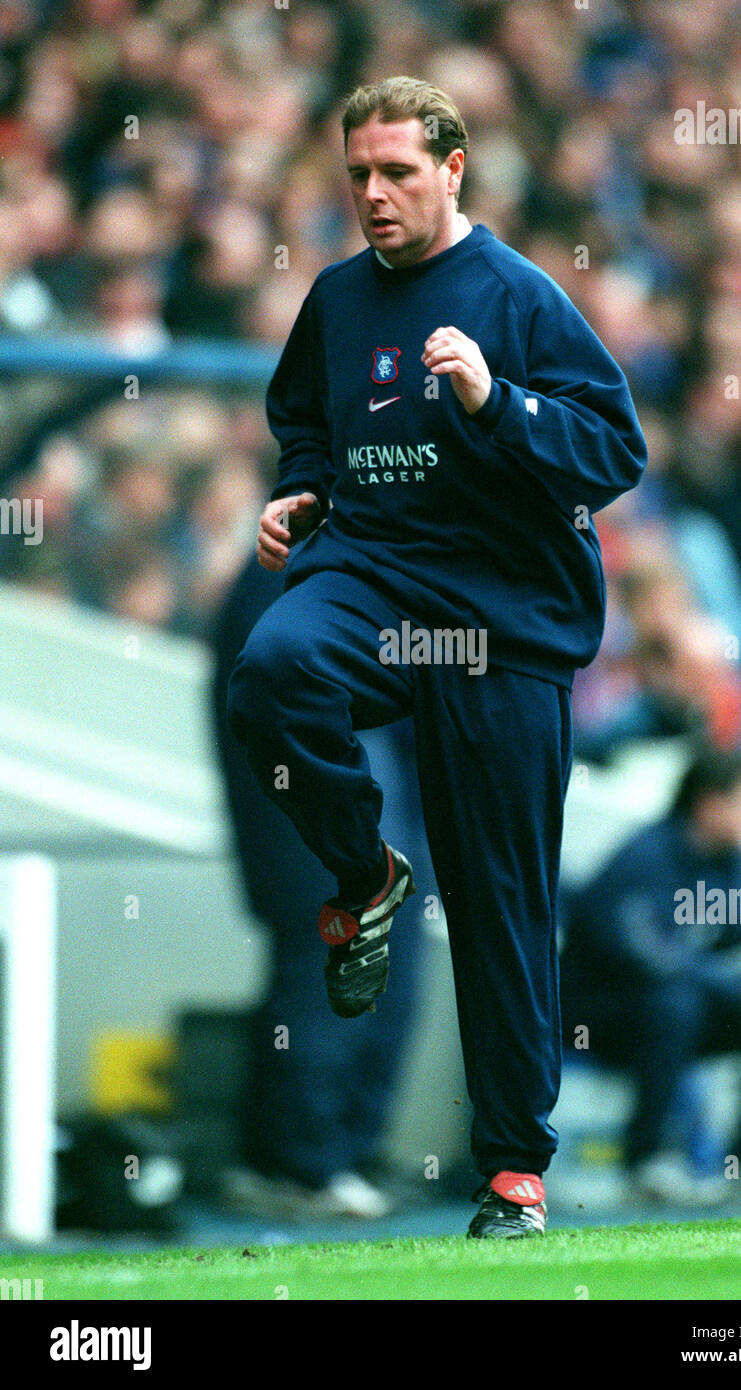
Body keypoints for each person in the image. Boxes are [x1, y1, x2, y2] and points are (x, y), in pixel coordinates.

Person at [227, 75, 646, 1238]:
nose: (372, 193)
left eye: (396, 171)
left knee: (502, 903)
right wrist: (297, 496)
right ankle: (365, 875)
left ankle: (512, 1172)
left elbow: (613, 449)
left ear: (451, 170)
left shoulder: (517, 295)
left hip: (500, 621)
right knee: (271, 673)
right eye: (357, 172)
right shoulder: (335, 299)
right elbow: (306, 426)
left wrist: (495, 400)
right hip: (370, 579)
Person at [211, 551, 431, 1219]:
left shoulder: (376, 564)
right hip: (316, 803)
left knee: (392, 974)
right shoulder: (287, 565)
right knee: (328, 973)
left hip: (372, 789)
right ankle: (294, 1163)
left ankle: (345, 1153)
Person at [559, 745, 741, 1208]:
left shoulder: (732, 863)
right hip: (599, 1015)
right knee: (673, 1003)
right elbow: (648, 959)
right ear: (708, 803)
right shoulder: (645, 856)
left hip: (681, 1007)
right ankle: (649, 1163)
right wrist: (738, 987)